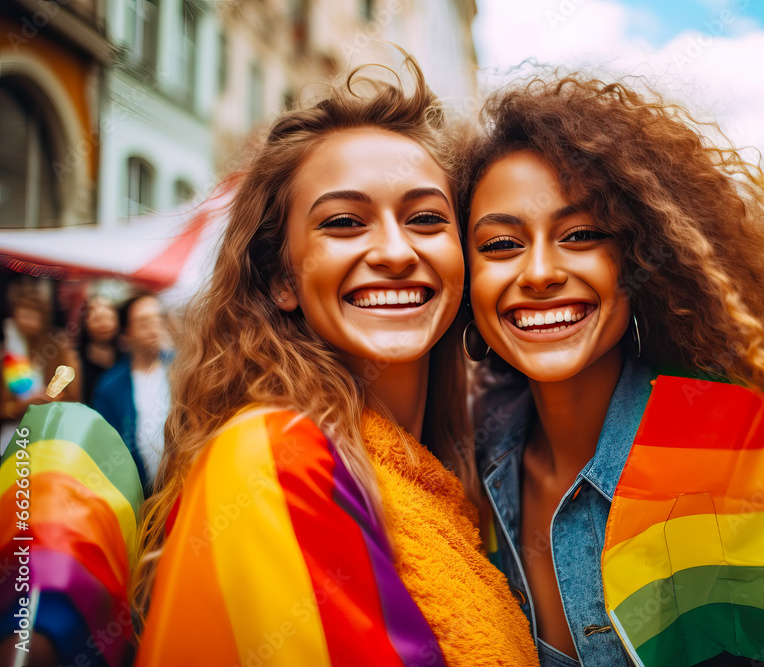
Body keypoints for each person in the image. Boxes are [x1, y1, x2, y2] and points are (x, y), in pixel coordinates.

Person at [460, 71, 764, 667]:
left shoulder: (753, 451)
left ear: (640, 256)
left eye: (582, 234)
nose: (539, 271)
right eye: (500, 245)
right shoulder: (461, 462)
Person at [132, 56, 538, 667]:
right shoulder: (270, 458)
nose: (396, 252)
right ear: (280, 277)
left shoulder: (451, 480)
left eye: (426, 218)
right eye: (344, 222)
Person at [92, 292, 172, 493]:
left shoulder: (184, 369)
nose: (154, 328)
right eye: (144, 323)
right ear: (126, 335)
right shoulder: (110, 387)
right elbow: (105, 447)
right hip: (138, 499)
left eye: (158, 319)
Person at [1, 286, 81, 451]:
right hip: (13, 436)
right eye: (24, 314)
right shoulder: (8, 349)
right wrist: (23, 405)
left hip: (51, 434)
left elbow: (74, 397)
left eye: (34, 315)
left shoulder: (57, 347)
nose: (29, 321)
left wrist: (51, 398)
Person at [78, 295, 121, 405]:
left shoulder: (126, 354)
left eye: (109, 318)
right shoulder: (76, 357)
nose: (104, 325)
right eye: (97, 320)